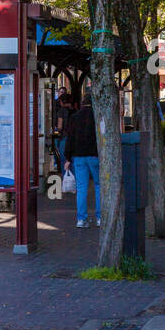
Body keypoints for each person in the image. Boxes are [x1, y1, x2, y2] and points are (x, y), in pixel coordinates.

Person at [63, 91, 101, 228]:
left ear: (82, 104)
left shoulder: (74, 117)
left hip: (78, 157)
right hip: (95, 155)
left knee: (81, 187)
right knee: (99, 185)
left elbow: (70, 139)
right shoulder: (98, 117)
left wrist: (67, 158)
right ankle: (99, 218)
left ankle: (81, 219)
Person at [54, 90, 75, 174]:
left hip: (64, 138)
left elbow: (60, 127)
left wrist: (56, 131)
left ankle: (65, 179)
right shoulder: (74, 111)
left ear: (62, 101)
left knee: (64, 160)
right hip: (74, 138)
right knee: (72, 161)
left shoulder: (61, 111)